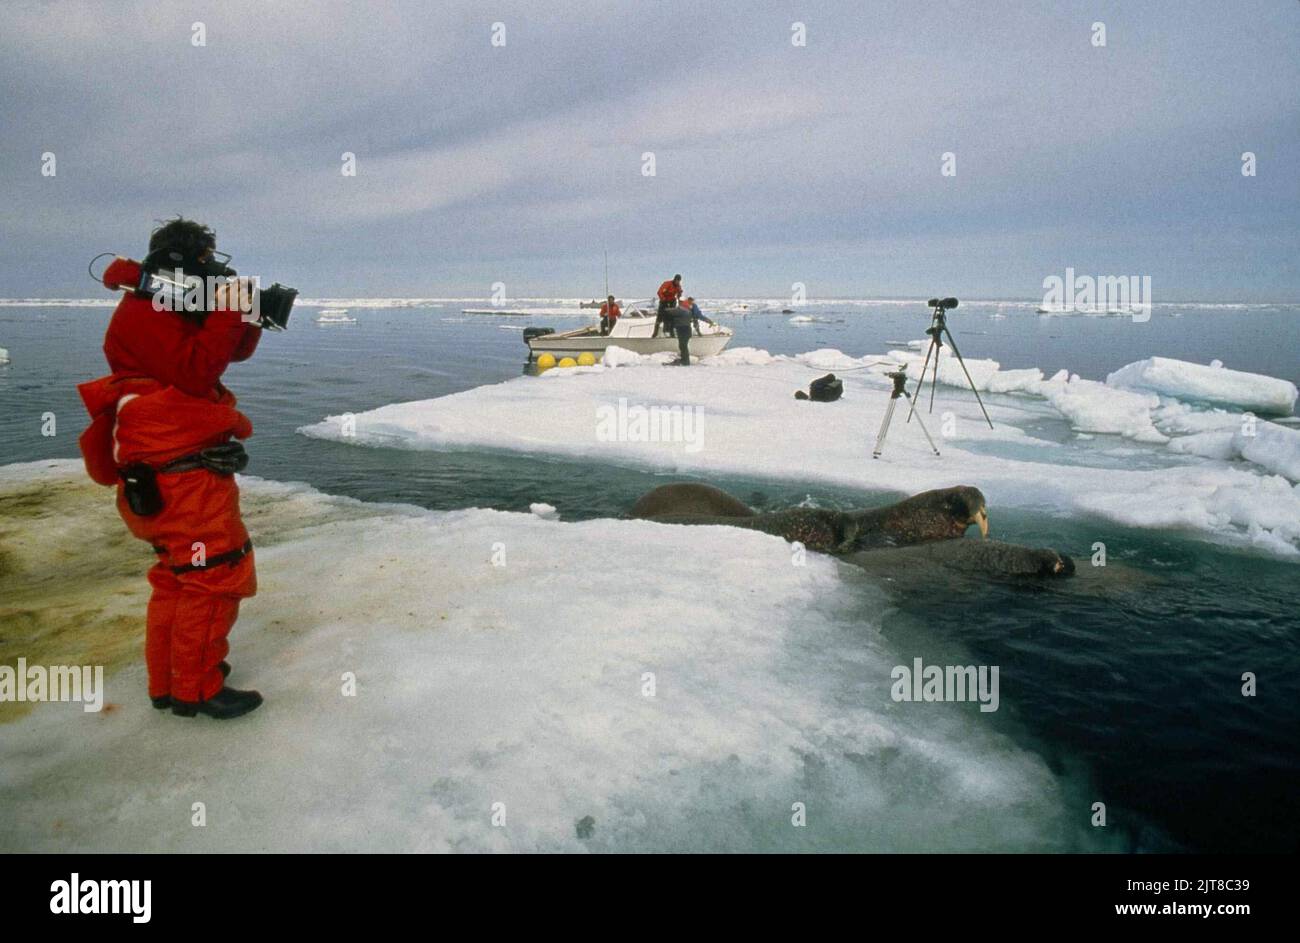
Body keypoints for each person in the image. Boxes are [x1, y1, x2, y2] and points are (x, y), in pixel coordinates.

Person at [77, 217, 265, 720]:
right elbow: (196, 371)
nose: (213, 269)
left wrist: (246, 316)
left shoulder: (166, 302)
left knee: (179, 576)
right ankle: (196, 690)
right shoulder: (146, 309)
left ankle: (170, 681)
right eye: (205, 259)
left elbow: (228, 353)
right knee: (214, 572)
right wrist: (227, 309)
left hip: (170, 459)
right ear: (182, 261)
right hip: (178, 470)